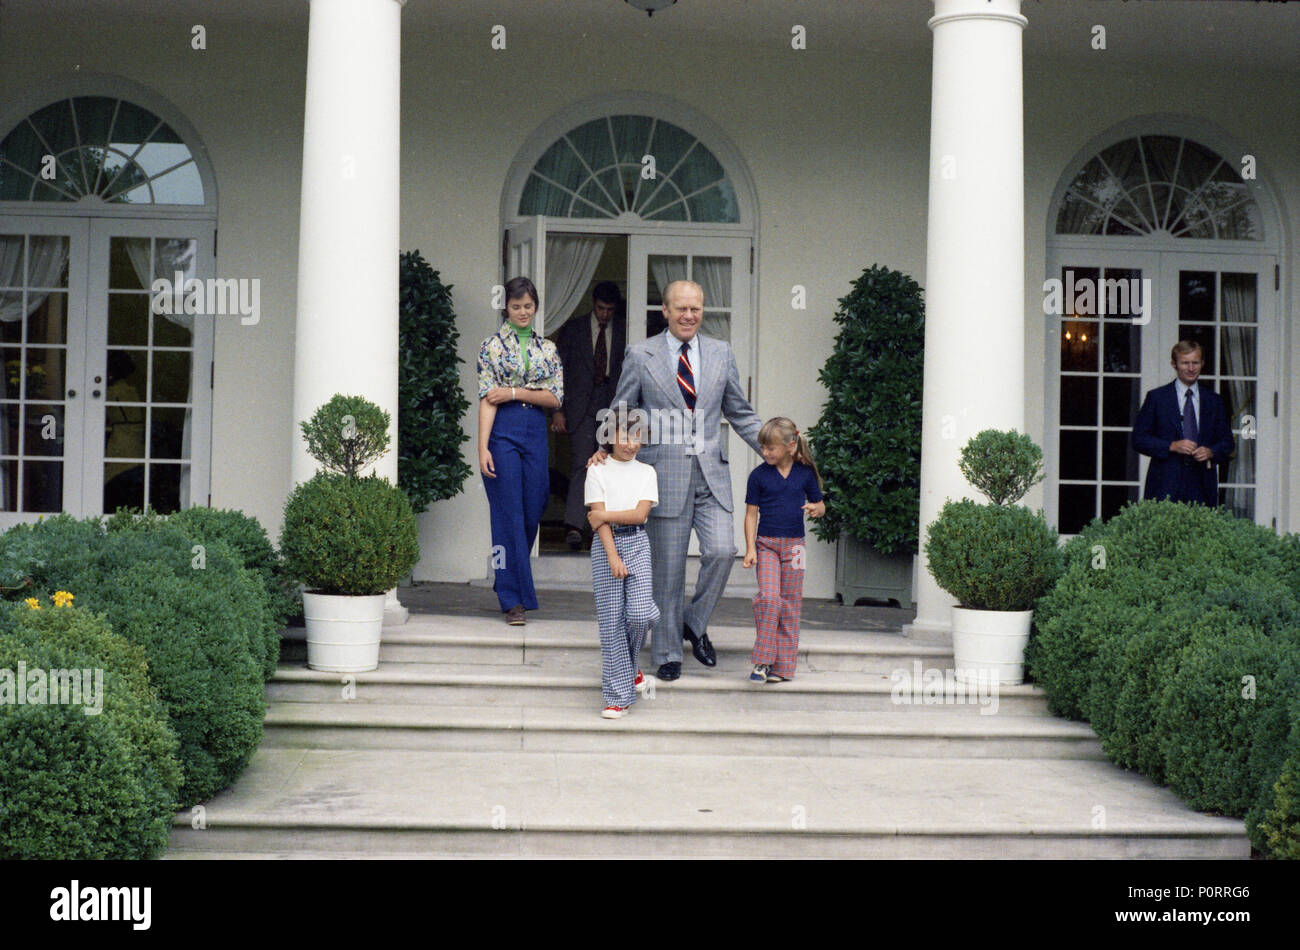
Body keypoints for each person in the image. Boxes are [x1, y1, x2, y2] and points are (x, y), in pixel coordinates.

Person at [589, 279, 763, 682]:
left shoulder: (721, 353)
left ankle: (693, 623)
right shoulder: (641, 353)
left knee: (723, 550)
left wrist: (779, 449)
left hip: (711, 475)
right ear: (664, 311)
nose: (689, 316)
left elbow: (740, 412)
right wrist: (606, 448)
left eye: (696, 309)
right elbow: (622, 408)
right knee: (666, 572)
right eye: (680, 309)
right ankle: (667, 653)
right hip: (662, 474)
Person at [477, 276, 564, 625]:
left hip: (535, 431)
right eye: (516, 306)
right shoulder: (491, 346)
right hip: (502, 432)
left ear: (536, 306)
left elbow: (555, 397)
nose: (523, 312)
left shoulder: (549, 349)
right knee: (508, 512)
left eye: (528, 306)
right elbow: (487, 399)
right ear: (506, 308)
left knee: (533, 506)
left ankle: (506, 575)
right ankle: (513, 599)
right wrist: (481, 446)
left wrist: (513, 392)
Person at [584, 415, 659, 718]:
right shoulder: (596, 470)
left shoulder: (647, 472)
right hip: (606, 548)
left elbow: (641, 516)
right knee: (612, 621)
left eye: (638, 437)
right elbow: (596, 519)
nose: (632, 444)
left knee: (641, 614)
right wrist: (613, 556)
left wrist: (604, 515)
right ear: (609, 437)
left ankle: (629, 667)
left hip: (638, 544)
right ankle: (618, 697)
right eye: (625, 437)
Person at [742, 418, 824, 684]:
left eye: (771, 448)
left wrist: (816, 509)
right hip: (766, 545)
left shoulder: (805, 473)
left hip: (795, 547)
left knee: (790, 606)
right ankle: (763, 660)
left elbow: (820, 505)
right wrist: (749, 548)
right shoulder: (758, 476)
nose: (765, 452)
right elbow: (751, 514)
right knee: (769, 598)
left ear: (790, 446)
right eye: (763, 447)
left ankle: (784, 668)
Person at [552, 282, 626, 550]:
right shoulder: (573, 329)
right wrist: (558, 410)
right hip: (580, 403)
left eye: (609, 310)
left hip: (612, 401)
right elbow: (558, 372)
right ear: (593, 304)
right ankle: (573, 526)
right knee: (583, 464)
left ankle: (604, 527)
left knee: (611, 465)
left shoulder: (625, 330)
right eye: (600, 308)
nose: (605, 314)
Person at [1131, 340, 1234, 506]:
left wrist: (1211, 451)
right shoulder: (1157, 398)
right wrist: (1171, 446)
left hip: (1202, 485)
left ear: (1202, 363)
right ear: (1174, 364)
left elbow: (1227, 442)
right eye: (1185, 363)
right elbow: (1139, 439)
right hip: (1165, 484)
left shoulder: (1214, 401)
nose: (1191, 368)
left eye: (1195, 363)